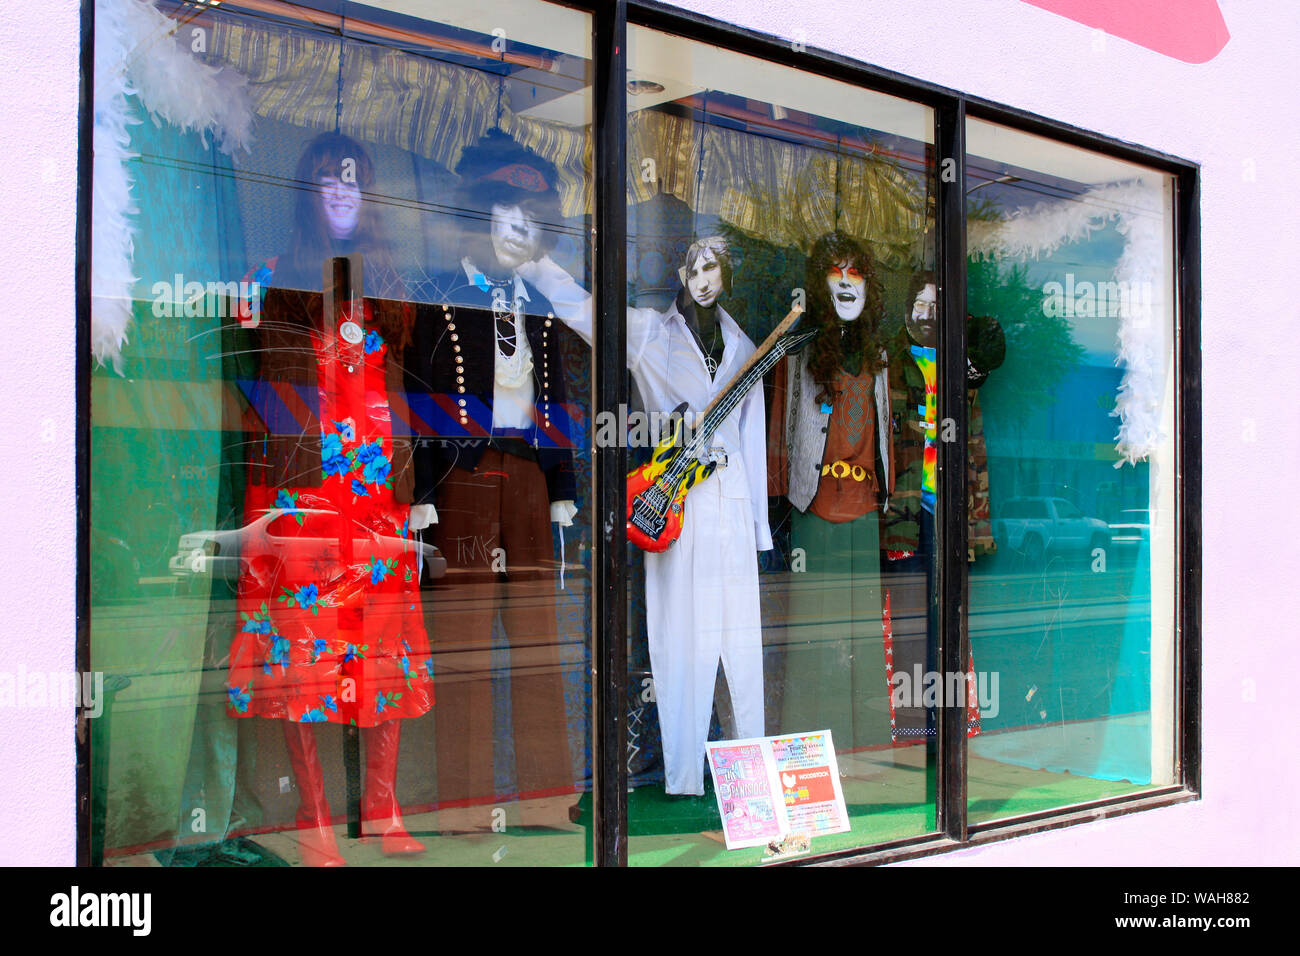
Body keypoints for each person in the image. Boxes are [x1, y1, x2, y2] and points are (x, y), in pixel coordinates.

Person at [225, 131, 434, 865]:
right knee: (303, 664)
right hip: (304, 499)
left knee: (383, 657)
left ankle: (382, 808)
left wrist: (409, 489)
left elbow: (401, 394)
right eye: (328, 182)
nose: (343, 193)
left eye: (355, 182)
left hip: (375, 496)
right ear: (307, 195)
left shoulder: (386, 284)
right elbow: (243, 386)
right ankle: (315, 821)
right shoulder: (274, 277)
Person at [519, 235, 772, 797]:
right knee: (680, 637)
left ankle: (751, 775)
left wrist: (758, 525)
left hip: (730, 500)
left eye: (716, 270)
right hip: (675, 500)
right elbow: (587, 311)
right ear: (683, 272)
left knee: (741, 640)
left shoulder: (745, 346)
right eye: (698, 267)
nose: (707, 279)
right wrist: (537, 267)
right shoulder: (650, 334)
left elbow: (752, 438)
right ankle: (684, 776)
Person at [404, 129, 576, 820]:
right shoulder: (439, 296)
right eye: (506, 216)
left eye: (528, 221)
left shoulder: (539, 306)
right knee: (465, 639)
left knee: (540, 637)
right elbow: (417, 400)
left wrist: (563, 487)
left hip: (529, 475)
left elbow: (558, 398)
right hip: (464, 478)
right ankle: (465, 805)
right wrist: (419, 492)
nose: (518, 230)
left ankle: (546, 796)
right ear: (481, 219)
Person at [767, 231, 894, 750]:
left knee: (862, 629)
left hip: (865, 505)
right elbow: (779, 427)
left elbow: (888, 426)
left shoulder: (879, 354)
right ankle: (808, 747)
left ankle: (865, 747)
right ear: (820, 283)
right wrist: (776, 496)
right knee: (813, 629)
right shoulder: (797, 352)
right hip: (813, 503)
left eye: (856, 271)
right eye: (835, 271)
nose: (845, 281)